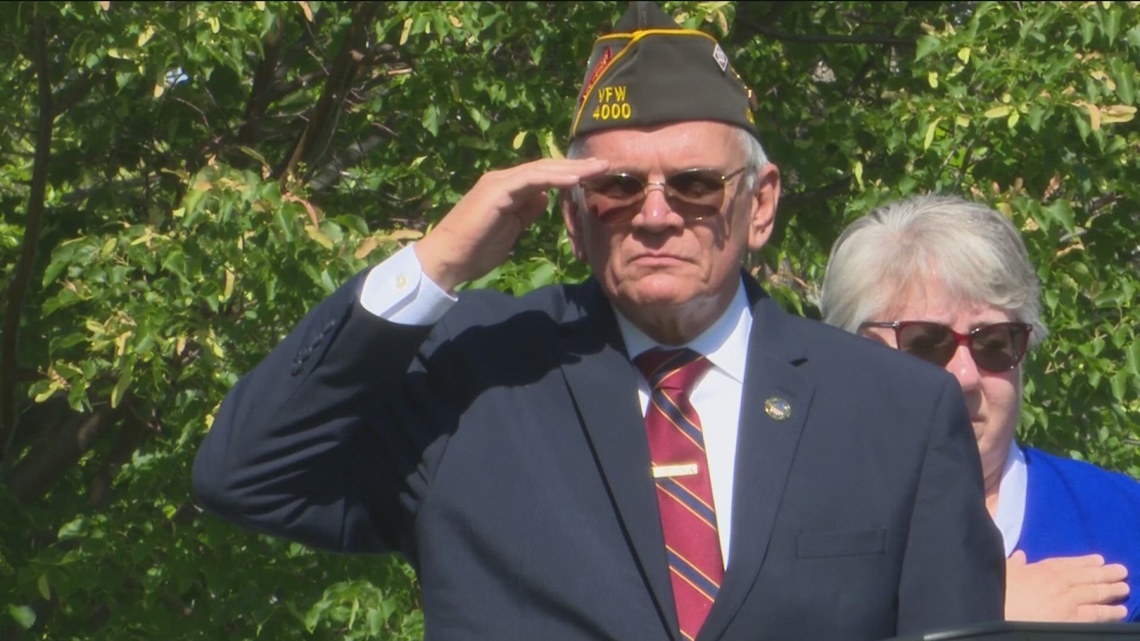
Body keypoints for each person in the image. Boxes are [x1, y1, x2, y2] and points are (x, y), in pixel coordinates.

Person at [193, 3, 1004, 639]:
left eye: (694, 184)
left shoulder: (893, 409)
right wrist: (435, 263)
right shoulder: (475, 383)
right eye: (617, 188)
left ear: (760, 206)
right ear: (574, 217)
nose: (655, 215)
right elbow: (246, 473)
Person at [820, 193, 1140, 623]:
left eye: (993, 343)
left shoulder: (1122, 521)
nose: (966, 375)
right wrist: (984, 615)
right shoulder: (791, 528)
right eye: (927, 344)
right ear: (854, 353)